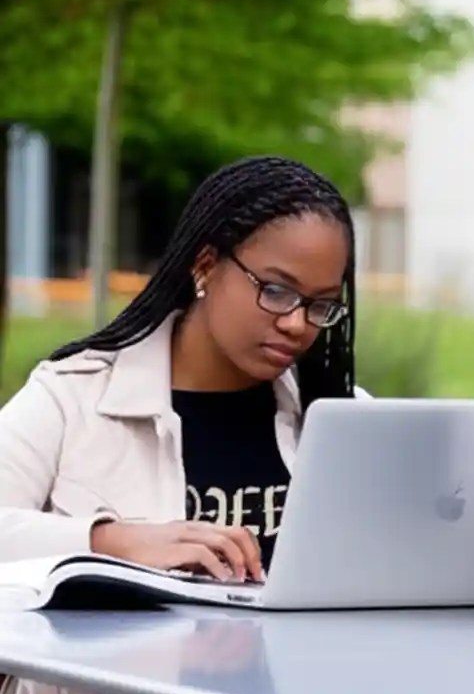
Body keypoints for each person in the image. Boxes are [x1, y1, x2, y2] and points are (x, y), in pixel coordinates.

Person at [0, 155, 358, 583]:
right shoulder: (73, 398)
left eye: (321, 304)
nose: (297, 323)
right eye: (276, 290)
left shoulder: (343, 419)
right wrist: (110, 543)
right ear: (205, 266)